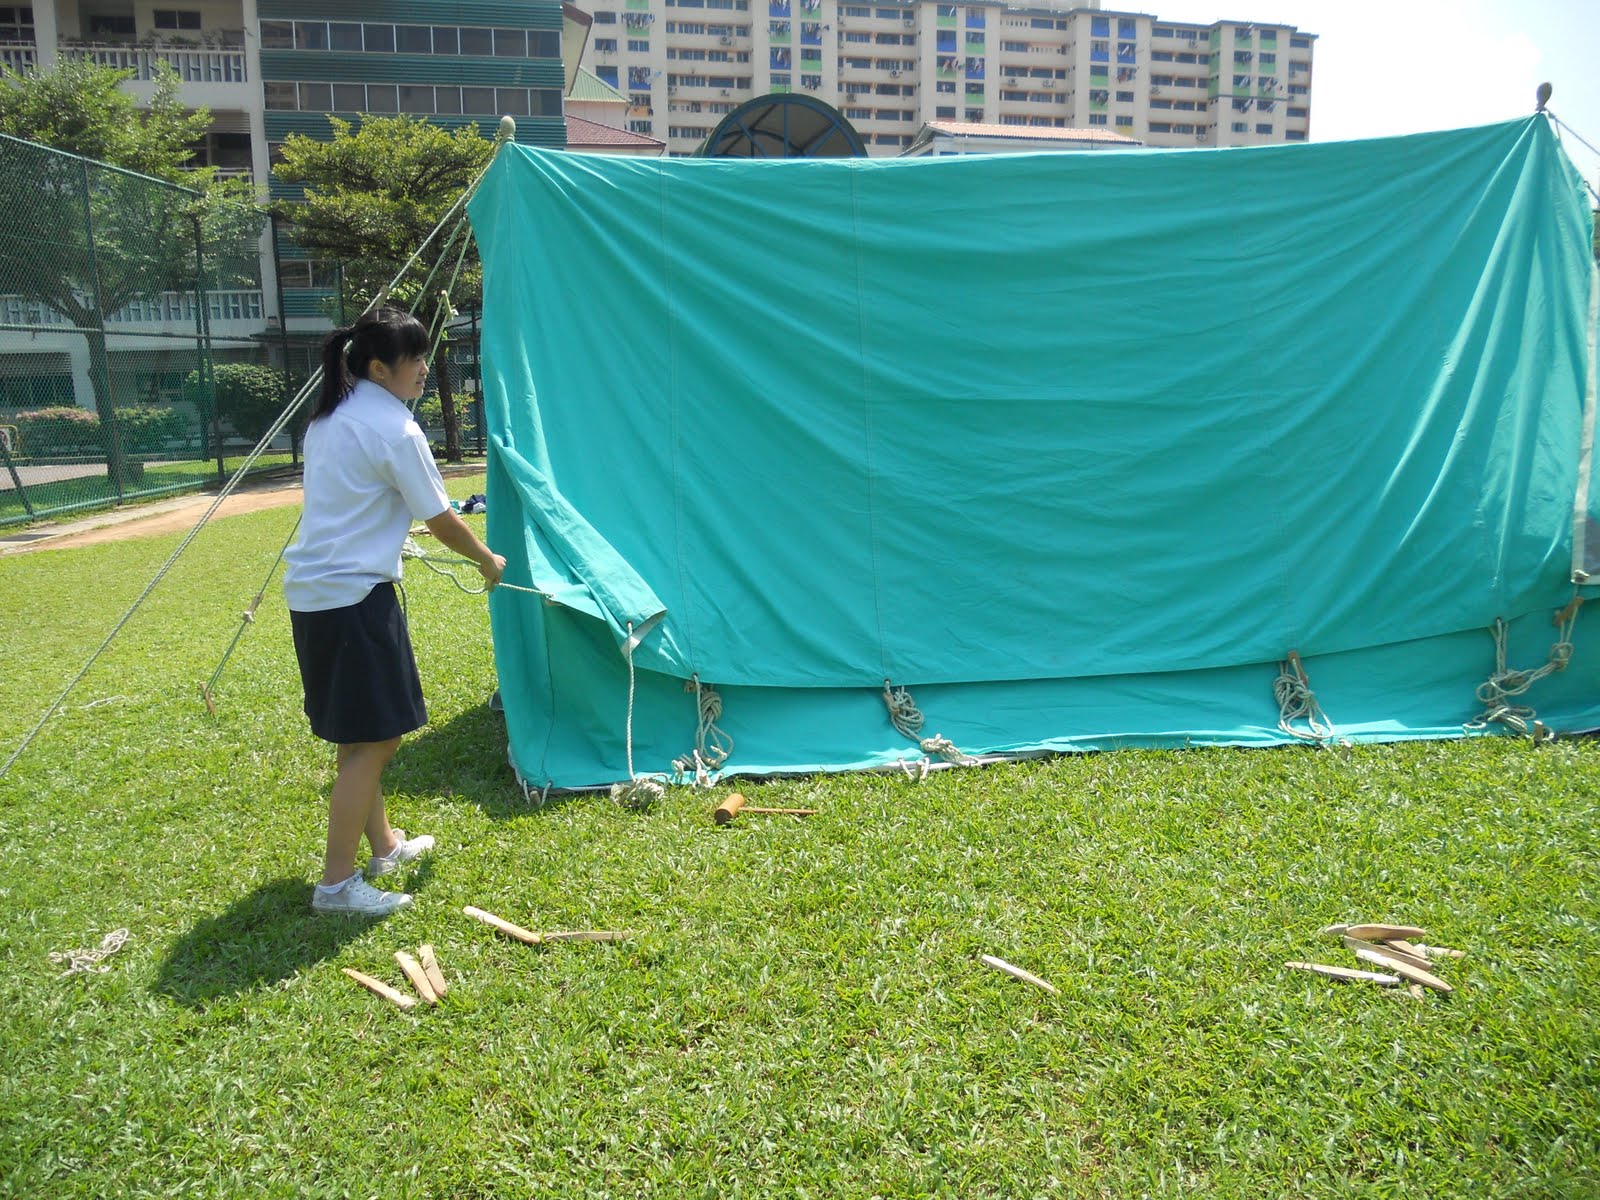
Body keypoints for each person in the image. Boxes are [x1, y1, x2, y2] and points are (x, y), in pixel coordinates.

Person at [283, 306, 505, 916]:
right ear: (379, 368)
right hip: (353, 598)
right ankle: (336, 886)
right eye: (415, 359)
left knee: (359, 735)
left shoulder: (330, 417)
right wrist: (487, 560)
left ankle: (383, 846)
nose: (424, 369)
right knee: (378, 739)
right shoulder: (394, 428)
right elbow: (441, 520)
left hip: (320, 595)